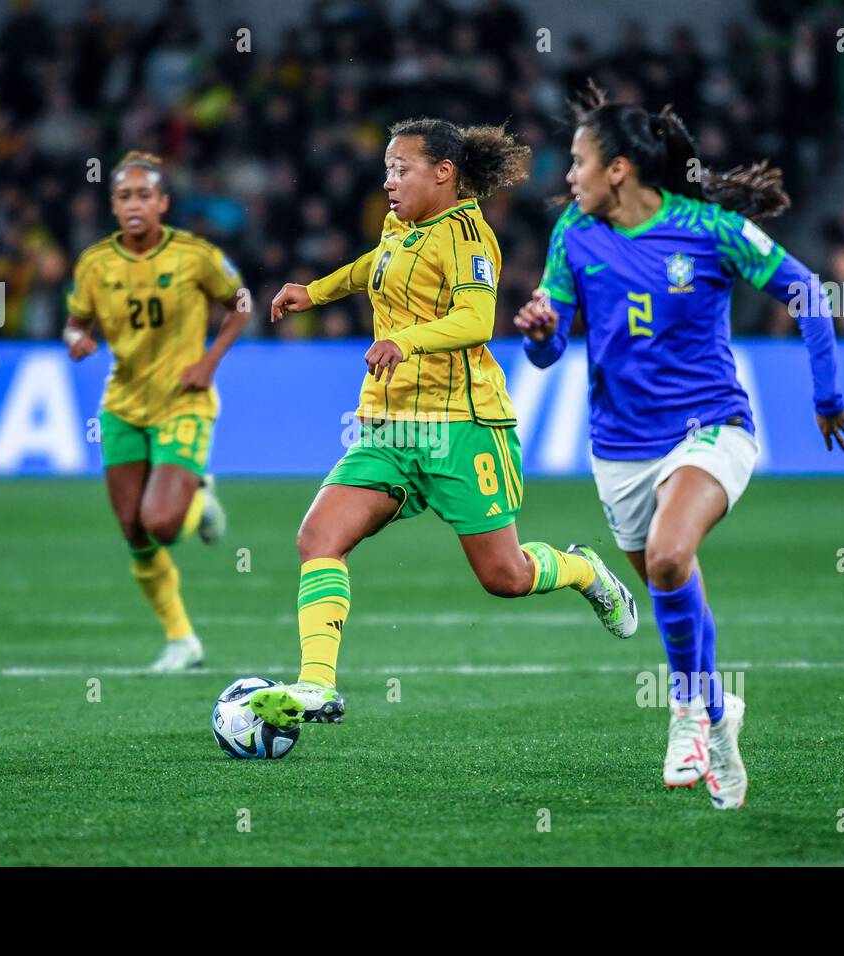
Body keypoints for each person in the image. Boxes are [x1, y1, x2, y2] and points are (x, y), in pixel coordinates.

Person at [514, 88, 844, 810]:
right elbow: (549, 353)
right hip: (619, 448)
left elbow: (807, 292)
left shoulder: (710, 230)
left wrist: (825, 397)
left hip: (711, 427)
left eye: (577, 161)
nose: (567, 176)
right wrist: (540, 333)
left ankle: (686, 715)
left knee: (671, 556)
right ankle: (720, 716)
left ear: (618, 169)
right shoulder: (573, 236)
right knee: (673, 580)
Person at [250, 117, 639, 730]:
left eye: (402, 170)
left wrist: (403, 341)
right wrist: (315, 291)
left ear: (444, 173)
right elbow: (375, 265)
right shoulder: (398, 226)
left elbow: (478, 319)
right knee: (318, 538)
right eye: (386, 171)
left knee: (505, 578)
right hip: (390, 427)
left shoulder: (468, 236)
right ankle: (315, 685)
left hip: (462, 426)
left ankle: (583, 569)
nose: (390, 182)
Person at [63, 151, 250, 673]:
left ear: (163, 202)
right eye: (124, 196)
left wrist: (209, 361)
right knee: (134, 531)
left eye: (144, 195)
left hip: (182, 402)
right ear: (114, 205)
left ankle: (199, 495)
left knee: (163, 524)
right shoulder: (95, 263)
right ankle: (181, 639)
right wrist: (78, 338)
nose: (134, 204)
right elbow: (76, 321)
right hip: (122, 406)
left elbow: (241, 303)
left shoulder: (194, 255)